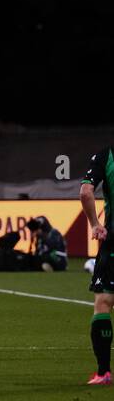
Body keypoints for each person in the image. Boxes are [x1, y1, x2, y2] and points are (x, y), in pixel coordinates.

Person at [80, 148, 113, 385]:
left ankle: (103, 373)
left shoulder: (106, 156)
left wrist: (94, 224)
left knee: (104, 301)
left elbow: (85, 192)